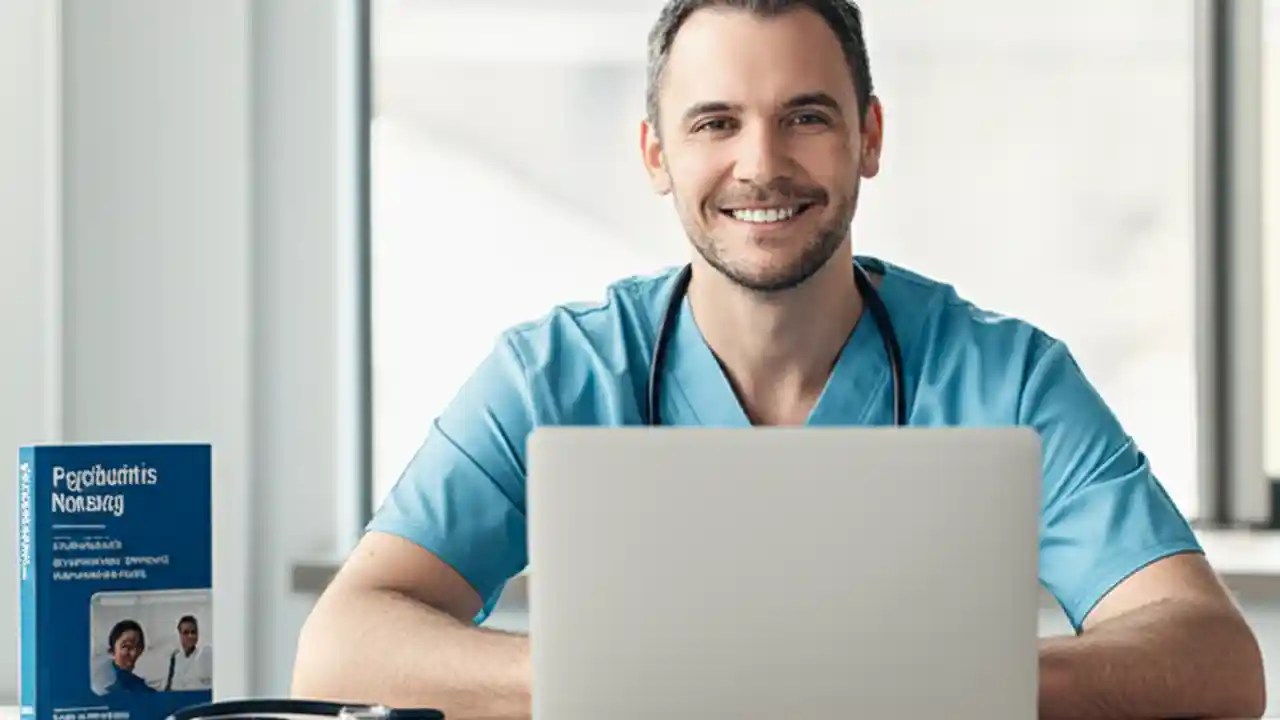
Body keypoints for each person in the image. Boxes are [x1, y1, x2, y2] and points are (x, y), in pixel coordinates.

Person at [292, 1, 1266, 717]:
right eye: (714, 122)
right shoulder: (554, 373)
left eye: (804, 115)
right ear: (654, 155)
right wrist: (608, 677)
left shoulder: (1003, 377)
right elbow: (341, 647)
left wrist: (955, 682)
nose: (761, 163)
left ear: (866, 138)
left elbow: (1215, 659)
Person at [104, 619, 156, 696]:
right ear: (112, 650)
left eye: (138, 647)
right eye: (126, 646)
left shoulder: (137, 684)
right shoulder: (105, 683)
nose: (134, 653)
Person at [164, 615, 213, 691]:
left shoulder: (206, 655)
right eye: (186, 633)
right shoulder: (175, 658)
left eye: (193, 632)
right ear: (180, 634)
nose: (190, 636)